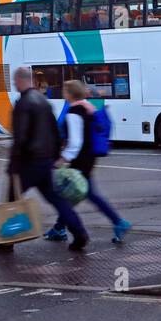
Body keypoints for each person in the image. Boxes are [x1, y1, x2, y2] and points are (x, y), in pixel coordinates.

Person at [2, 66, 89, 252]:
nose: (15, 84)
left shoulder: (24, 103)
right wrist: (55, 157)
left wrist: (14, 164)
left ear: (19, 81)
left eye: (15, 81)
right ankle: (80, 233)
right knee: (57, 199)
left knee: (12, 199)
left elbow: (21, 137)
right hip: (46, 161)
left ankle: (6, 240)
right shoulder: (43, 100)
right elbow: (55, 132)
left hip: (29, 162)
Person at [44, 79, 132, 245]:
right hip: (89, 157)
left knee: (72, 194)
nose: (63, 93)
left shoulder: (73, 114)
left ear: (68, 94)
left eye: (64, 90)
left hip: (80, 160)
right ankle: (59, 228)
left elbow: (75, 142)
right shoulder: (87, 108)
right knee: (75, 194)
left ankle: (118, 222)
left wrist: (62, 159)